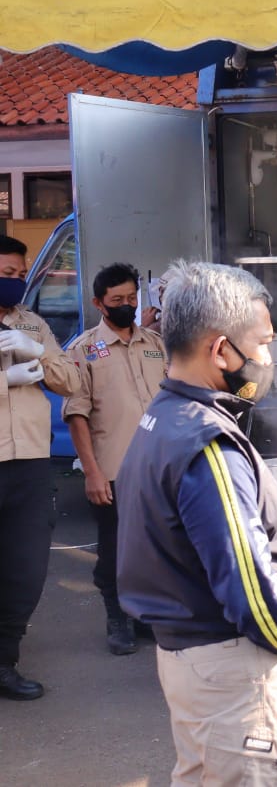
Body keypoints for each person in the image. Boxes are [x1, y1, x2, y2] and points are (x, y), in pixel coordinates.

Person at [115, 261, 277, 785]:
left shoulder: (163, 416)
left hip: (190, 661)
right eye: (262, 344)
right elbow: (248, 579)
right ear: (220, 349)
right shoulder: (208, 444)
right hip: (232, 674)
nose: (266, 359)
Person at [64, 263, 167, 656]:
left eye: (131, 298)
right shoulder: (84, 349)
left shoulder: (154, 343)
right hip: (113, 469)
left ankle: (143, 616)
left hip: (157, 468)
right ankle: (117, 618)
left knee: (155, 547)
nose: (127, 305)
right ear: (99, 303)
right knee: (115, 551)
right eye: (117, 300)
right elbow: (77, 414)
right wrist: (92, 473)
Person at [0, 234, 81, 701]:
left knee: (24, 570)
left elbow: (70, 379)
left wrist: (38, 353)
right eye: (6, 274)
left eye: (19, 274)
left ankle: (4, 663)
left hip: (30, 463)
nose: (15, 282)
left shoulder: (32, 323)